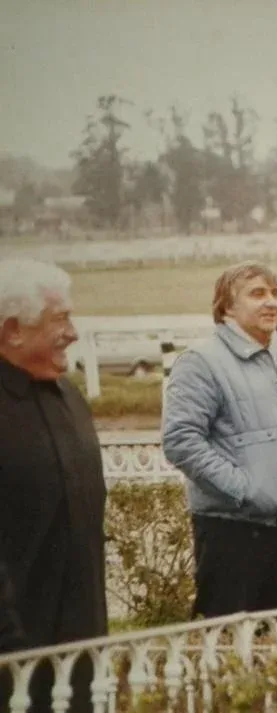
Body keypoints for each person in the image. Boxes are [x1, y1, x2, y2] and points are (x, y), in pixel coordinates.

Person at [162, 261, 277, 619]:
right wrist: (246, 490)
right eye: (257, 294)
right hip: (233, 530)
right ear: (226, 306)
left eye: (274, 293)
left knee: (274, 643)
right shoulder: (201, 361)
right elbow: (181, 440)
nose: (271, 302)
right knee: (227, 647)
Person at [0, 259, 107, 712]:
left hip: (81, 641)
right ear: (12, 331)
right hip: (15, 653)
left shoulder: (69, 397)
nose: (73, 332)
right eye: (60, 319)